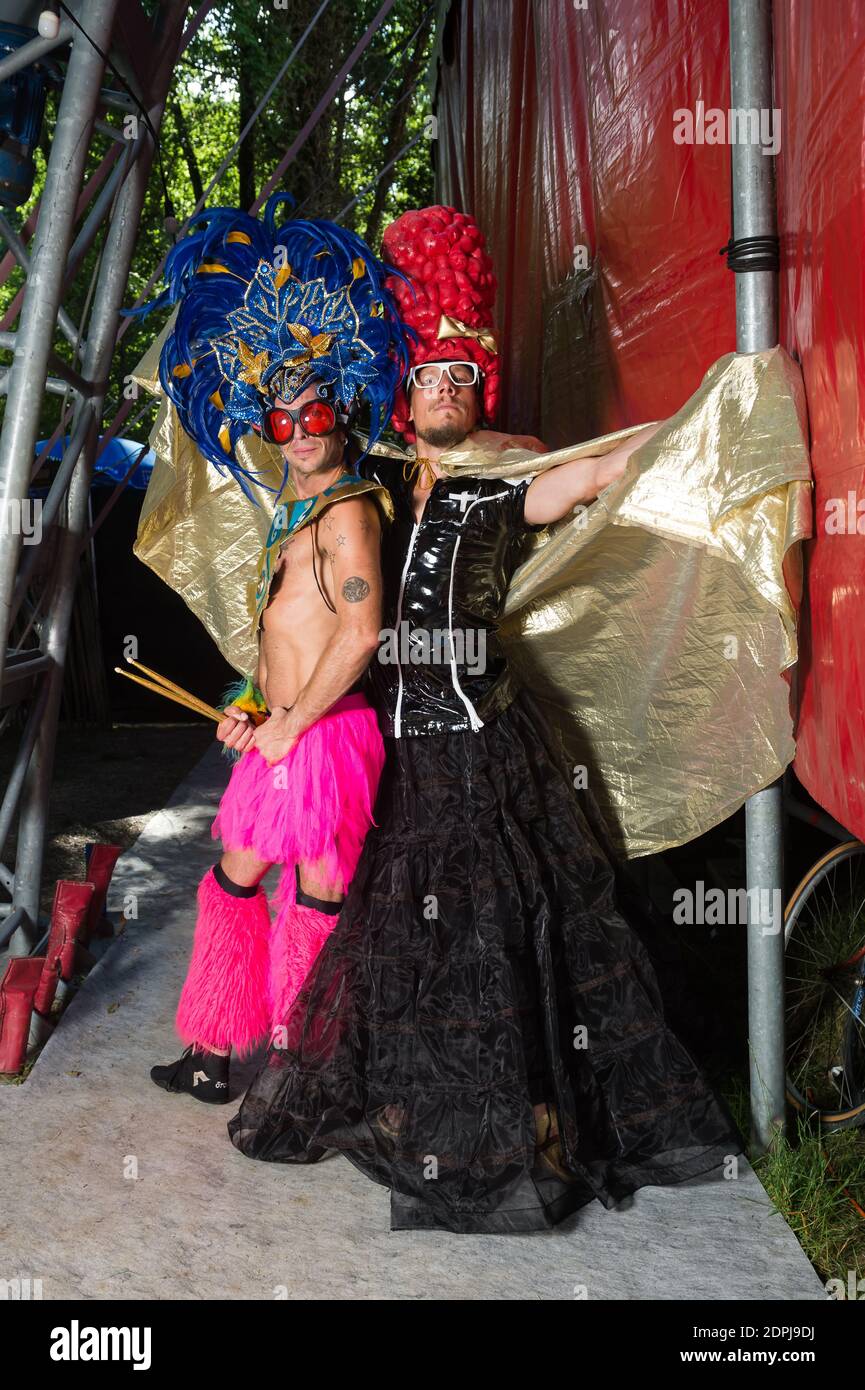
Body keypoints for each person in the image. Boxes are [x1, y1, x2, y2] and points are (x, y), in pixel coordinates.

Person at [227, 205, 744, 1232]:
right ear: (404, 402)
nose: (445, 392)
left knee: (502, 933)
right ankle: (421, 1104)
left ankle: (523, 1122)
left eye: (462, 382)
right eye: (429, 380)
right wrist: (264, 704)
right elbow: (312, 557)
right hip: (397, 755)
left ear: (481, 404)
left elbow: (586, 476)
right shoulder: (371, 497)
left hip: (482, 746)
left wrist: (692, 421)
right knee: (404, 937)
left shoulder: (489, 502)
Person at [145, 196, 410, 1103]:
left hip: (326, 737)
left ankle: (307, 1074)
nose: (296, 432)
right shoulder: (295, 516)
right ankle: (219, 1050)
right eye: (278, 419)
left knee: (315, 900)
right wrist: (251, 706)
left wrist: (290, 724)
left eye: (313, 412)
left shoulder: (347, 514)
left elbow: (362, 633)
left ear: (344, 411)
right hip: (286, 729)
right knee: (231, 885)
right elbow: (284, 639)